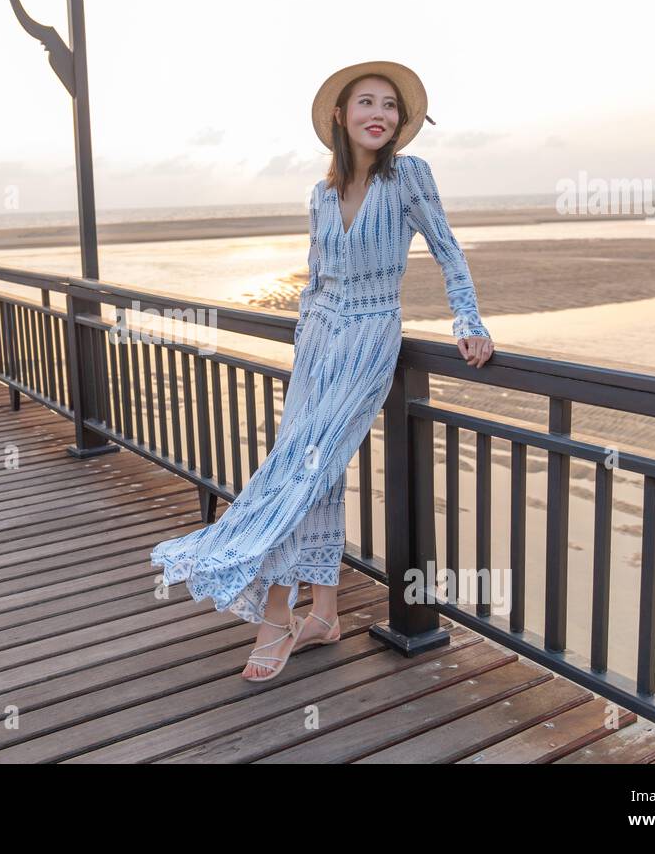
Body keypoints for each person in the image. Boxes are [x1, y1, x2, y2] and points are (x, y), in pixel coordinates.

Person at [151, 60, 494, 681]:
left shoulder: (410, 177)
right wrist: (307, 343)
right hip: (315, 344)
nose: (379, 115)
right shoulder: (320, 193)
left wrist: (467, 321)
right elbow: (315, 282)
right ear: (342, 116)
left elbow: (448, 250)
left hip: (368, 340)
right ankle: (326, 614)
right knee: (312, 470)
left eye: (390, 106)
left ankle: (275, 617)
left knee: (302, 475)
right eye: (367, 103)